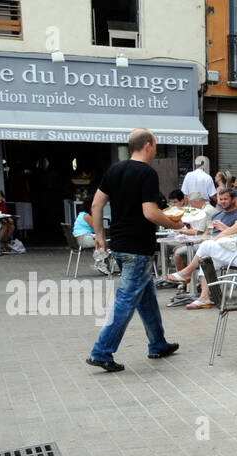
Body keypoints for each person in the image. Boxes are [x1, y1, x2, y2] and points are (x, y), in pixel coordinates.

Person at [87, 128, 180, 372]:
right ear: (148, 145)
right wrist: (175, 224)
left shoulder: (115, 169)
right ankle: (101, 351)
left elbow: (96, 204)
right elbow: (149, 212)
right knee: (126, 301)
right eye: (156, 146)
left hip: (119, 245)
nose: (156, 150)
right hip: (137, 248)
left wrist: (100, 237)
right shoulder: (146, 173)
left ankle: (158, 343)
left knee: (146, 297)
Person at [164, 188, 237, 310]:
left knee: (206, 246)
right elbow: (236, 233)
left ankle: (187, 272)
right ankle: (204, 297)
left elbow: (230, 231)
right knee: (207, 260)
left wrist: (212, 241)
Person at [165, 187, 237, 292]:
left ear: (233, 199)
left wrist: (225, 228)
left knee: (180, 252)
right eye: (221, 199)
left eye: (226, 199)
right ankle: (187, 285)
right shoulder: (217, 215)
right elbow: (209, 232)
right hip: (208, 242)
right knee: (179, 251)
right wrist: (199, 239)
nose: (222, 202)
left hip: (222, 246)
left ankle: (188, 280)